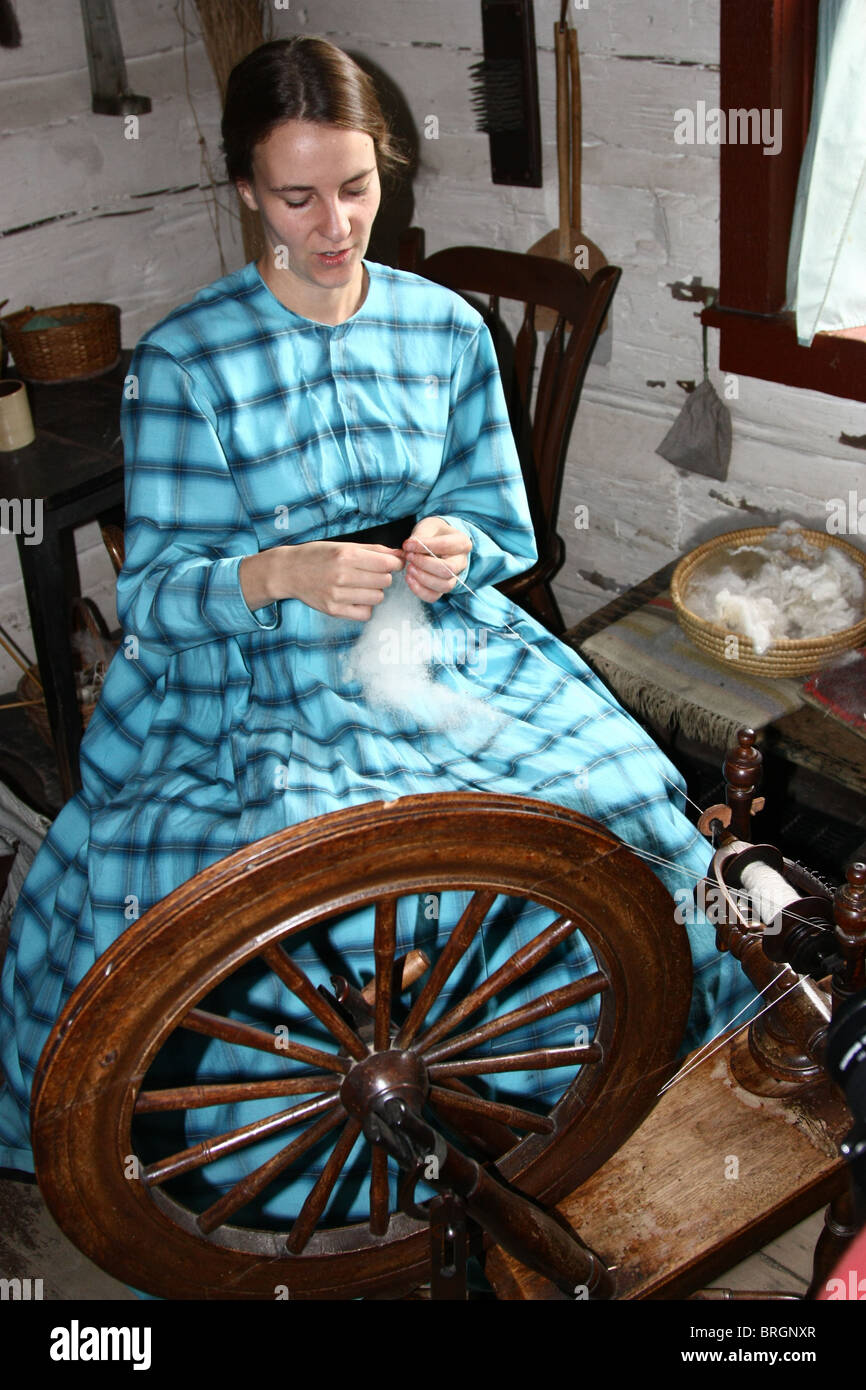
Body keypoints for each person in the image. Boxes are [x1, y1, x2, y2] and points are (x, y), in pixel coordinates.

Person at [0, 37, 753, 1224]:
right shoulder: (188, 360)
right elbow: (150, 598)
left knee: (618, 820)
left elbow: (507, 529)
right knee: (301, 886)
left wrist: (460, 542)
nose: (333, 223)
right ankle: (313, 1171)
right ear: (244, 188)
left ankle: (565, 1096)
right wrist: (277, 571)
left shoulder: (446, 328)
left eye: (356, 188)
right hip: (243, 678)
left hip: (434, 646)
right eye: (295, 196)